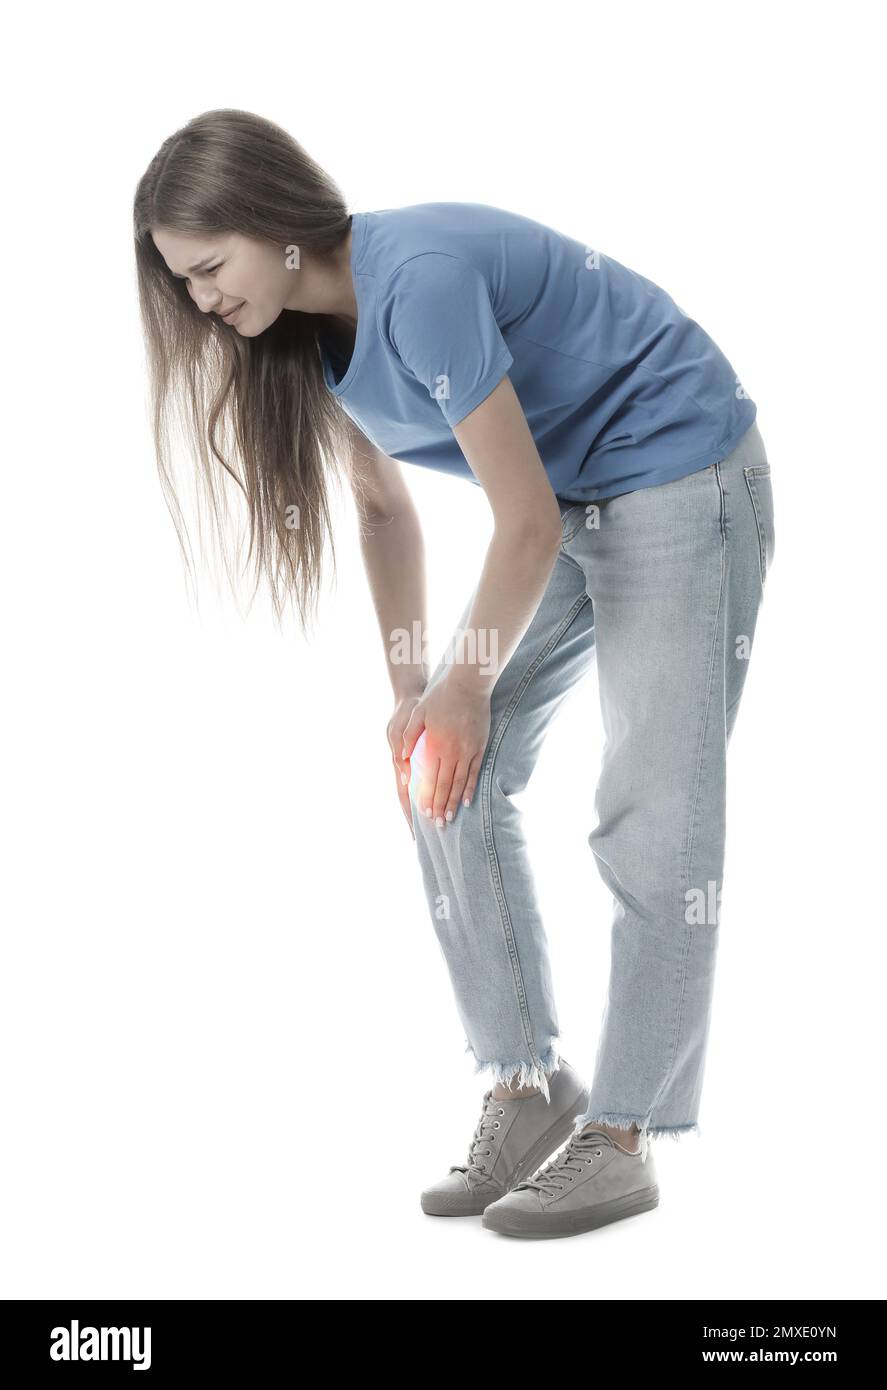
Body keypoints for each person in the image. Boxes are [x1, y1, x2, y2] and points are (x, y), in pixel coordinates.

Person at [134, 108, 776, 1242]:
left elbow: (516, 519)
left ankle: (622, 1136)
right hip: (576, 504)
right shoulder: (307, 335)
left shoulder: (415, 283)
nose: (200, 303)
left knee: (651, 809)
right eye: (180, 283)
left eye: (207, 269)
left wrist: (465, 684)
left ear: (275, 224)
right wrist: (410, 694)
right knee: (441, 768)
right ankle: (521, 1089)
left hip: (680, 469)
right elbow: (385, 510)